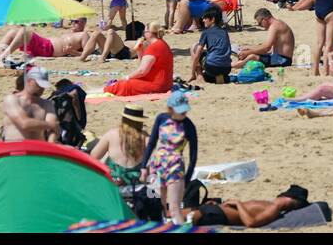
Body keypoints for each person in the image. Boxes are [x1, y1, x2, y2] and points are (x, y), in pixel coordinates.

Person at [141, 91, 199, 225]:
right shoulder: (161, 119)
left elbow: (193, 155)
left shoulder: (189, 126)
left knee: (174, 208)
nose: (184, 113)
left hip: (175, 167)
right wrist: (144, 166)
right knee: (156, 206)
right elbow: (152, 143)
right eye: (180, 110)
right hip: (157, 165)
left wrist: (187, 179)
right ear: (171, 108)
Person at [188, 186, 312, 228]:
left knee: (187, 217)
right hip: (215, 210)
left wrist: (238, 203)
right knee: (180, 212)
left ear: (289, 199)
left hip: (217, 214)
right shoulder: (269, 204)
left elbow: (251, 223)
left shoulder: (274, 208)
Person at [103, 23, 174, 96]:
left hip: (157, 85)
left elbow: (142, 71)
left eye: (145, 32)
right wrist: (139, 52)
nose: (143, 35)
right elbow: (143, 67)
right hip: (166, 84)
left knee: (120, 86)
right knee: (126, 82)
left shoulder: (154, 47)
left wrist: (127, 77)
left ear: (149, 33)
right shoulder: (163, 44)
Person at [90, 104, 148, 185]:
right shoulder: (145, 138)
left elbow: (93, 156)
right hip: (135, 183)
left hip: (113, 182)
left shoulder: (112, 134)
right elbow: (153, 162)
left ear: (123, 119)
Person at [0, 16, 89, 62]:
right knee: (13, 31)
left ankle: (5, 53)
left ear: (84, 23)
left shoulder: (84, 35)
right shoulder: (70, 33)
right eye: (71, 21)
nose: (73, 23)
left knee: (25, 31)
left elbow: (88, 54)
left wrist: (72, 52)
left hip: (48, 49)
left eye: (76, 21)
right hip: (43, 45)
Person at [1, 66, 59, 141]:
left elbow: (54, 131)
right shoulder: (12, 99)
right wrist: (50, 125)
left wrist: (51, 143)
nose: (41, 89)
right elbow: (24, 124)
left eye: (43, 86)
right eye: (38, 84)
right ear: (28, 81)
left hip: (38, 149)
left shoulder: (47, 104)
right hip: (15, 148)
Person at [231, 8, 296, 69]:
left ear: (264, 19)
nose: (261, 26)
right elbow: (265, 46)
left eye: (260, 23)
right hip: (279, 58)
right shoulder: (277, 24)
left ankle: (233, 65)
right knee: (250, 53)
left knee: (252, 56)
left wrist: (248, 52)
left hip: (283, 61)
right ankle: (237, 62)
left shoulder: (275, 26)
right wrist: (249, 48)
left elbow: (266, 48)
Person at [190, 8, 233, 83]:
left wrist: (193, 73)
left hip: (212, 67)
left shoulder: (206, 32)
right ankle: (217, 77)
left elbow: (197, 55)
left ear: (212, 19)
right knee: (211, 54)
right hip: (227, 68)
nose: (203, 20)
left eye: (205, 18)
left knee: (194, 47)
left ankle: (200, 76)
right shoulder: (224, 32)